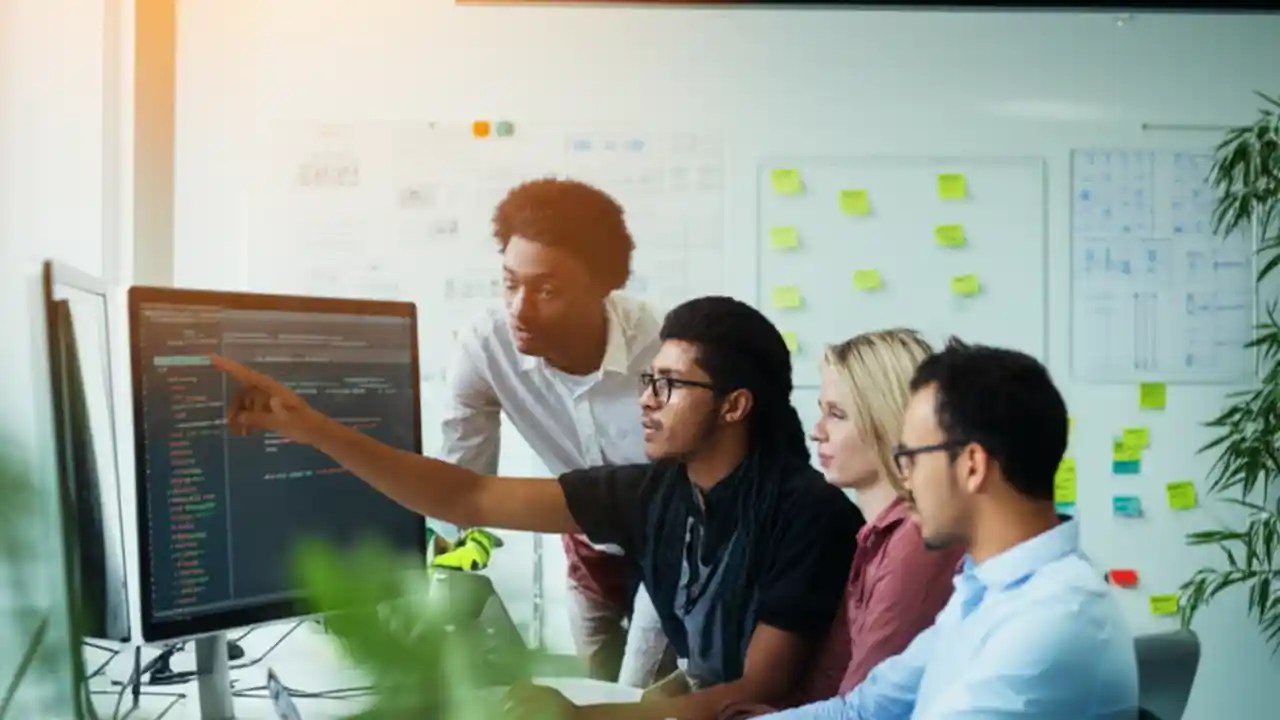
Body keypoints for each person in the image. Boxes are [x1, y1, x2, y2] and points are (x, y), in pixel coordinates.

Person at [212, 295, 863, 720]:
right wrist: (315, 429)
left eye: (670, 384)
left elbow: (757, 693)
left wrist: (582, 718)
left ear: (734, 406)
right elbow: (468, 494)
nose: (647, 399)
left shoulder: (807, 515)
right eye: (648, 380)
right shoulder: (658, 493)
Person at [759, 338, 1139, 720]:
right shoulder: (982, 591)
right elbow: (861, 710)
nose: (904, 480)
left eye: (910, 458)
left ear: (972, 465)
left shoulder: (1056, 615)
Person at [432, 177, 670, 685]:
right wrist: (445, 586)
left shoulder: (664, 349)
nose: (519, 308)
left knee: (638, 702)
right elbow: (458, 487)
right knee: (591, 691)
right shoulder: (486, 348)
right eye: (510, 282)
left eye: (546, 289)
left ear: (604, 287)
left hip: (675, 550)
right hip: (588, 549)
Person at [719, 330, 963, 720]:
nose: (818, 430)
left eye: (837, 414)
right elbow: (830, 685)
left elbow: (861, 709)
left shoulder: (915, 542)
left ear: (889, 420)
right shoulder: (878, 538)